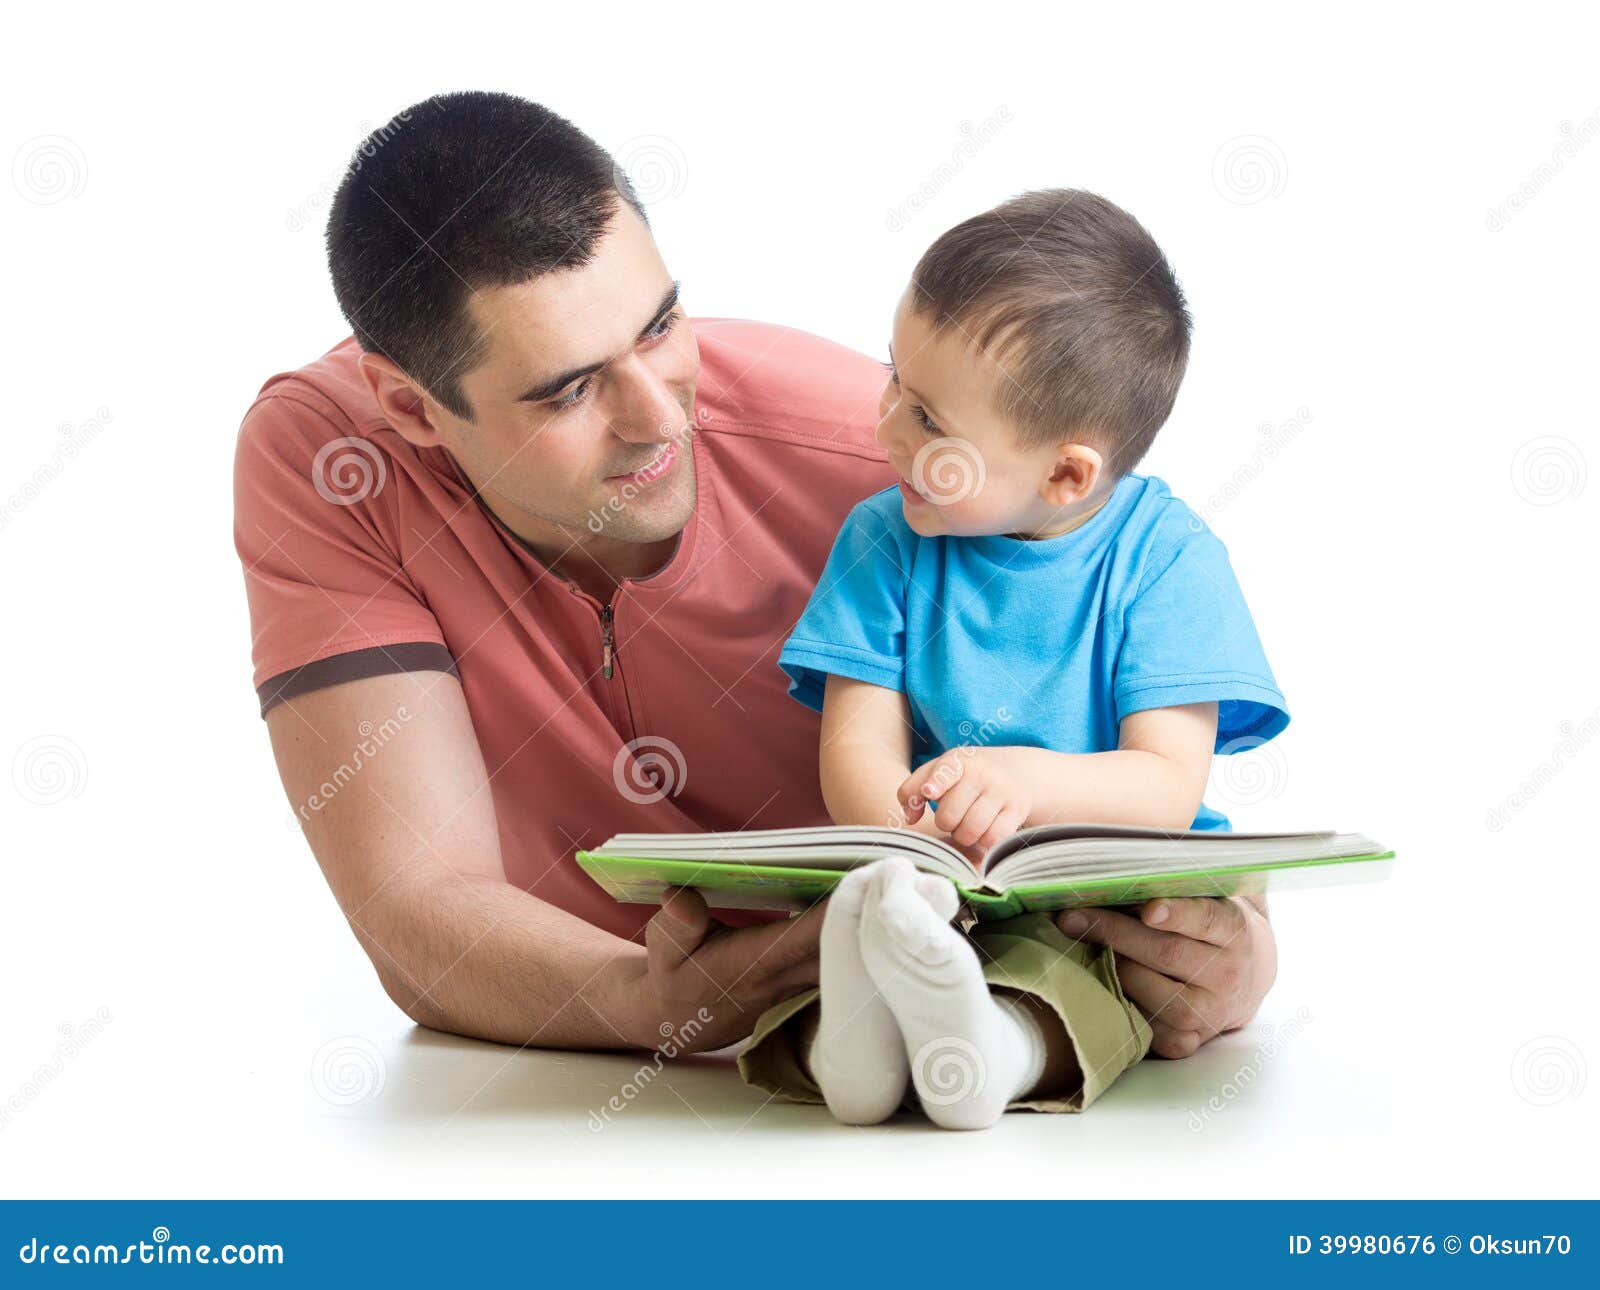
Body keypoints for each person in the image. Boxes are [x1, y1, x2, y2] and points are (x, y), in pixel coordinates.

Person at [233, 90, 1279, 1083]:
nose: (658, 418)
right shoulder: (335, 461)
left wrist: (1236, 958)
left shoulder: (919, 474)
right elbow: (420, 910)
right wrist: (653, 1003)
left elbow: (1139, 766)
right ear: (411, 409)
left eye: (659, 326)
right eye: (567, 390)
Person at [736, 191, 1288, 1128]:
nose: (886, 433)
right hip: (939, 874)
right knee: (835, 934)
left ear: (1067, 473)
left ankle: (998, 1052)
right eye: (892, 384)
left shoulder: (1167, 557)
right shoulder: (884, 540)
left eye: (928, 422)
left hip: (1117, 885)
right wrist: (917, 847)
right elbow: (855, 756)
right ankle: (850, 1050)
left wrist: (1023, 785)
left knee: (1100, 980)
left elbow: (1163, 784)